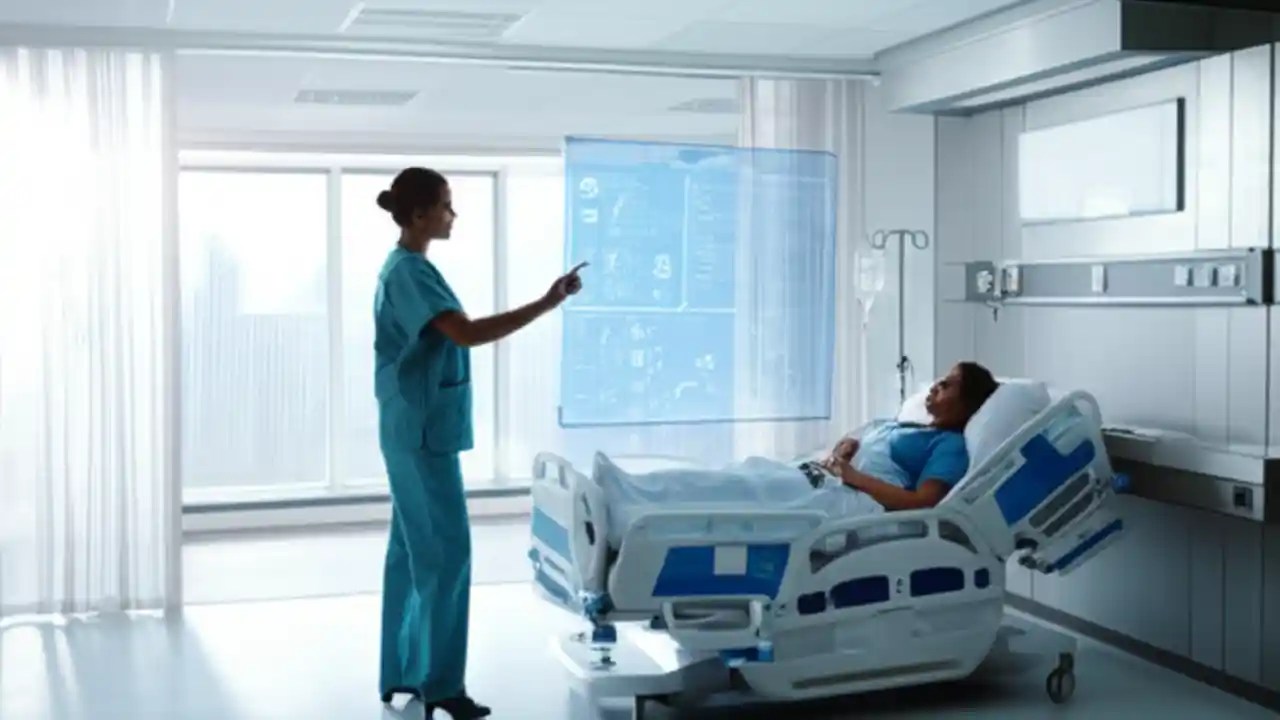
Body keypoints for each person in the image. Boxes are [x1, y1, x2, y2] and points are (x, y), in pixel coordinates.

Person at [373, 167, 585, 718]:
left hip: (409, 427)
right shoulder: (410, 273)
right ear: (419, 214)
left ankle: (405, 671)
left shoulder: (405, 268)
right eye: (446, 205)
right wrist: (547, 302)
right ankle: (441, 686)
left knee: (412, 553)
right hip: (423, 434)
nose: (453, 214)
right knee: (446, 556)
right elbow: (465, 333)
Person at [819, 361, 999, 510]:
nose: (934, 387)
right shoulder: (906, 426)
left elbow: (923, 502)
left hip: (851, 501)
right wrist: (846, 448)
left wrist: (853, 476)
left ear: (967, 404)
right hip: (828, 480)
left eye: (945, 385)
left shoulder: (951, 444)